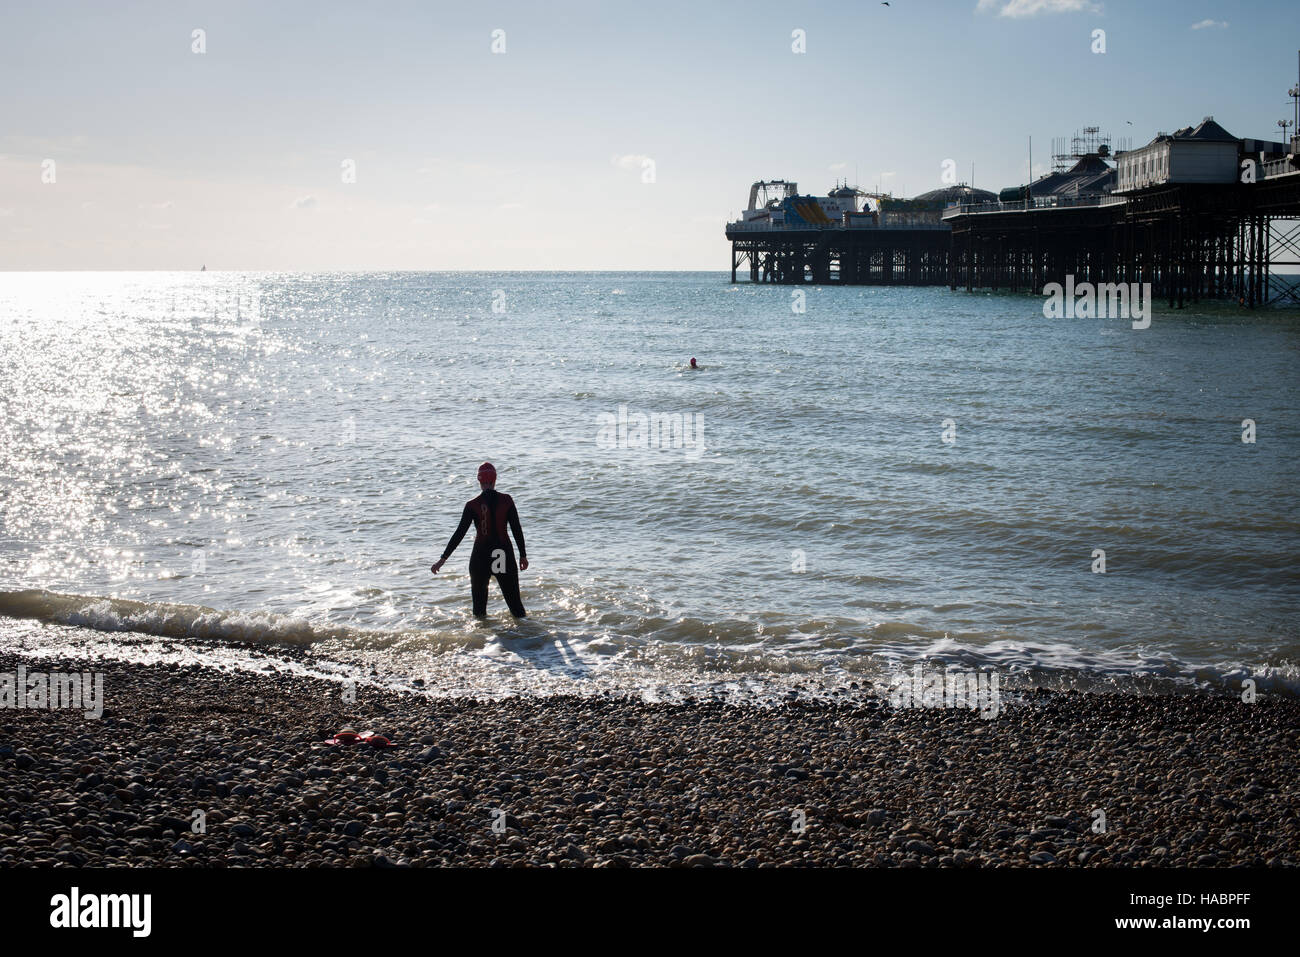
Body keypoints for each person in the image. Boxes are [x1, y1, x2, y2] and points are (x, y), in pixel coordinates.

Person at [430, 462, 529, 617]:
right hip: (502, 555)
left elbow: (459, 533)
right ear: (495, 479)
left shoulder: (472, 505)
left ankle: (481, 640)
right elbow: (517, 529)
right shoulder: (507, 500)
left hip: (480, 557)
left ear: (479, 480)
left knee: (479, 612)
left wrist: (443, 559)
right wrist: (523, 555)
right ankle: (527, 639)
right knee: (516, 609)